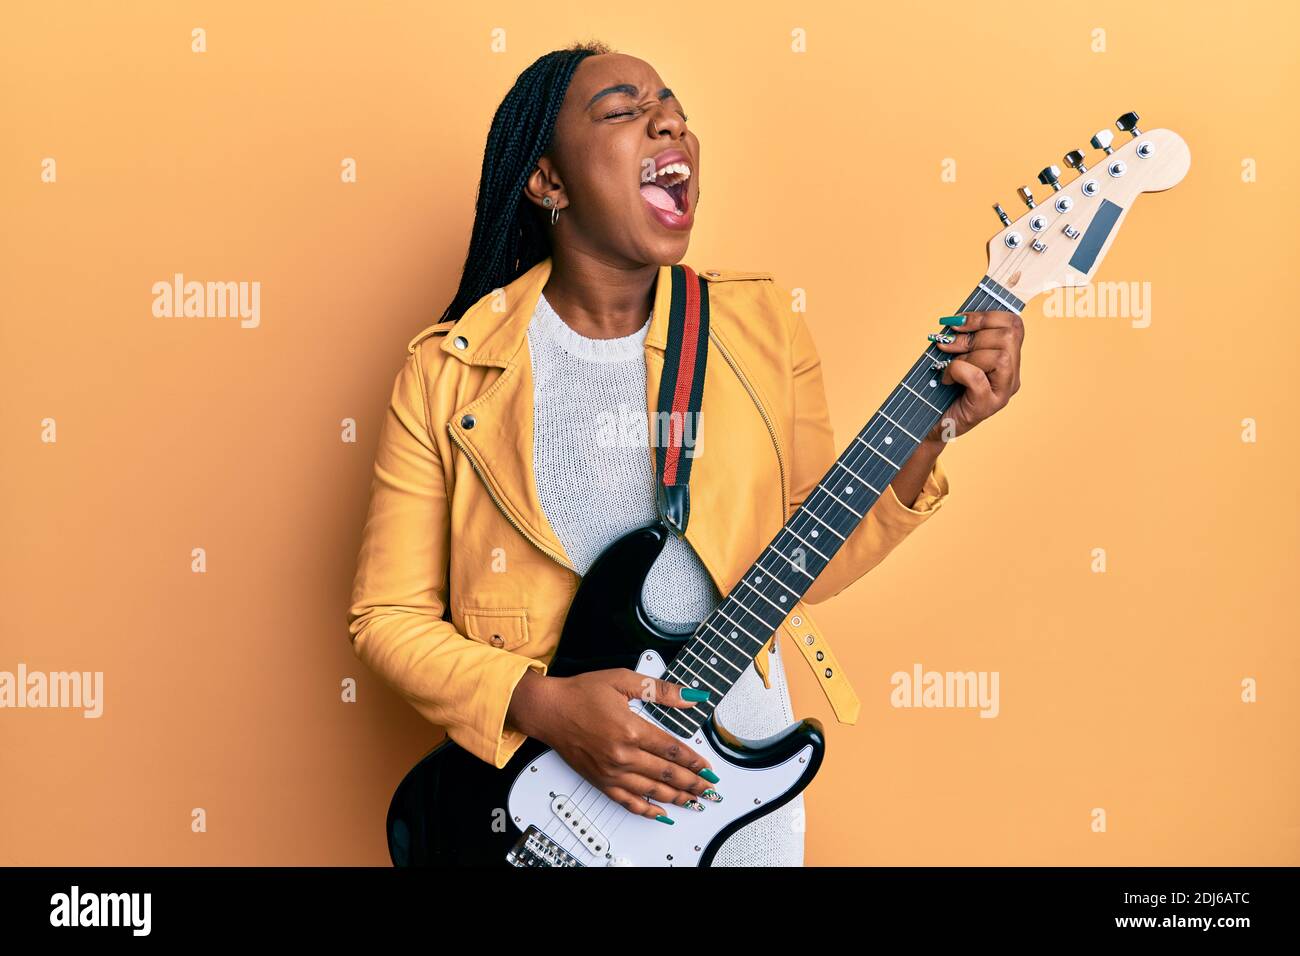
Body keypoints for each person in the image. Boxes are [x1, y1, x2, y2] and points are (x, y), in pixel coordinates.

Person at [348, 40, 1023, 866]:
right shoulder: (447, 371)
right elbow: (388, 618)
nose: (669, 122)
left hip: (735, 811)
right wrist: (545, 704)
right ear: (548, 181)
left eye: (673, 110)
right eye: (625, 111)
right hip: (544, 816)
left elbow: (812, 557)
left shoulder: (761, 327)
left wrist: (934, 428)